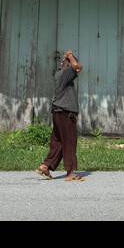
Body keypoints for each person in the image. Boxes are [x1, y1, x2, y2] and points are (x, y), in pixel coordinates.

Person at [38, 49, 84, 181]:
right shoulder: (67, 72)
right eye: (69, 61)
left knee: (57, 142)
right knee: (69, 141)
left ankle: (46, 165)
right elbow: (78, 67)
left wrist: (68, 59)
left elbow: (76, 67)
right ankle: (70, 172)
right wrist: (70, 56)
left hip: (58, 112)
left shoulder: (60, 74)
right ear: (68, 64)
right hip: (65, 112)